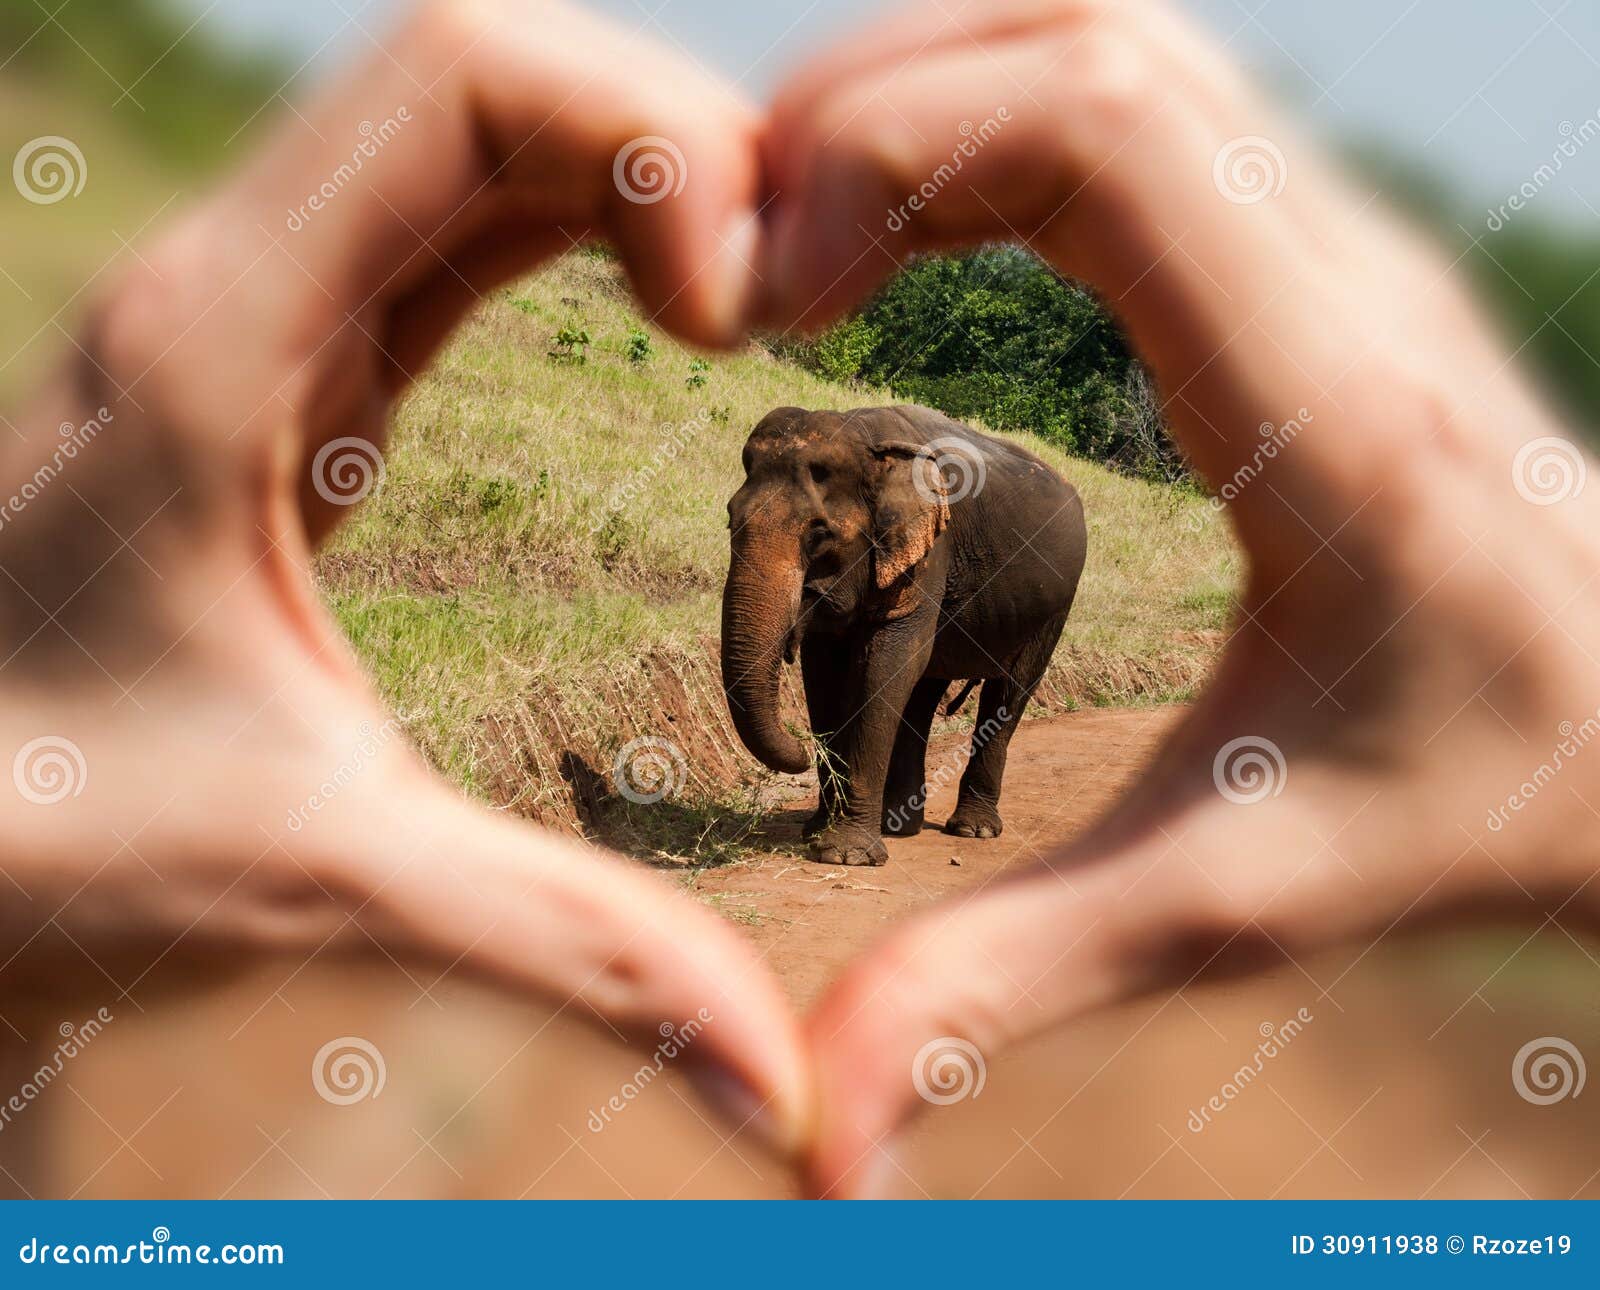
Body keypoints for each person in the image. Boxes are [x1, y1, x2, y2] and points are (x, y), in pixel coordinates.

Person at [4, 0, 1596, 1200]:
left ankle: (923, 798)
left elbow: (888, 648)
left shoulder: (958, 514)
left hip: (1009, 588)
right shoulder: (812, 521)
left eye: (824, 546)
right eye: (774, 539)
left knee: (917, 717)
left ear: (890, 533)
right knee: (840, 689)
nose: (799, 561)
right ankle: (872, 791)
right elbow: (808, 626)